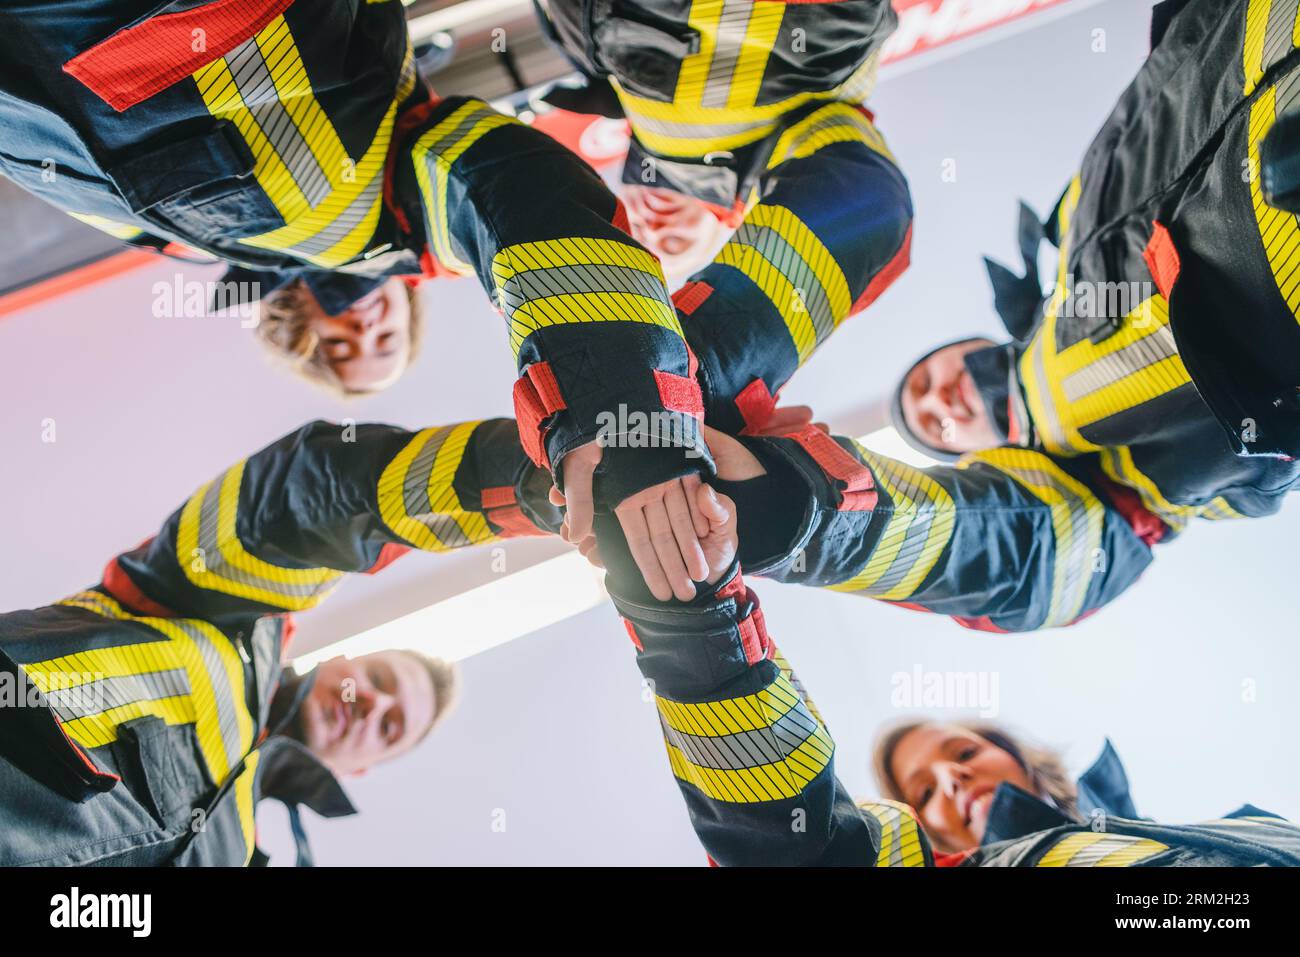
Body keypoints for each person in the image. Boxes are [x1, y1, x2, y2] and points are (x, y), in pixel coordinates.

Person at [0, 0, 720, 595]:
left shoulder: (200, 255)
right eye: (383, 340)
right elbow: (518, 191)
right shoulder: (406, 222)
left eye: (342, 347)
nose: (362, 324)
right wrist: (618, 407)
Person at [598, 486, 1300, 867]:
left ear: (1019, 753)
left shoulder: (1217, 826)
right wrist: (695, 618)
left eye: (961, 752)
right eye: (924, 790)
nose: (954, 780)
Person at [534, 0, 916, 434]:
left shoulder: (607, 74)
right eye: (673, 244)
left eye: (634, 232)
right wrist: (690, 377)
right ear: (734, 225)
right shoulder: (782, 143)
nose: (652, 226)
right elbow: (868, 206)